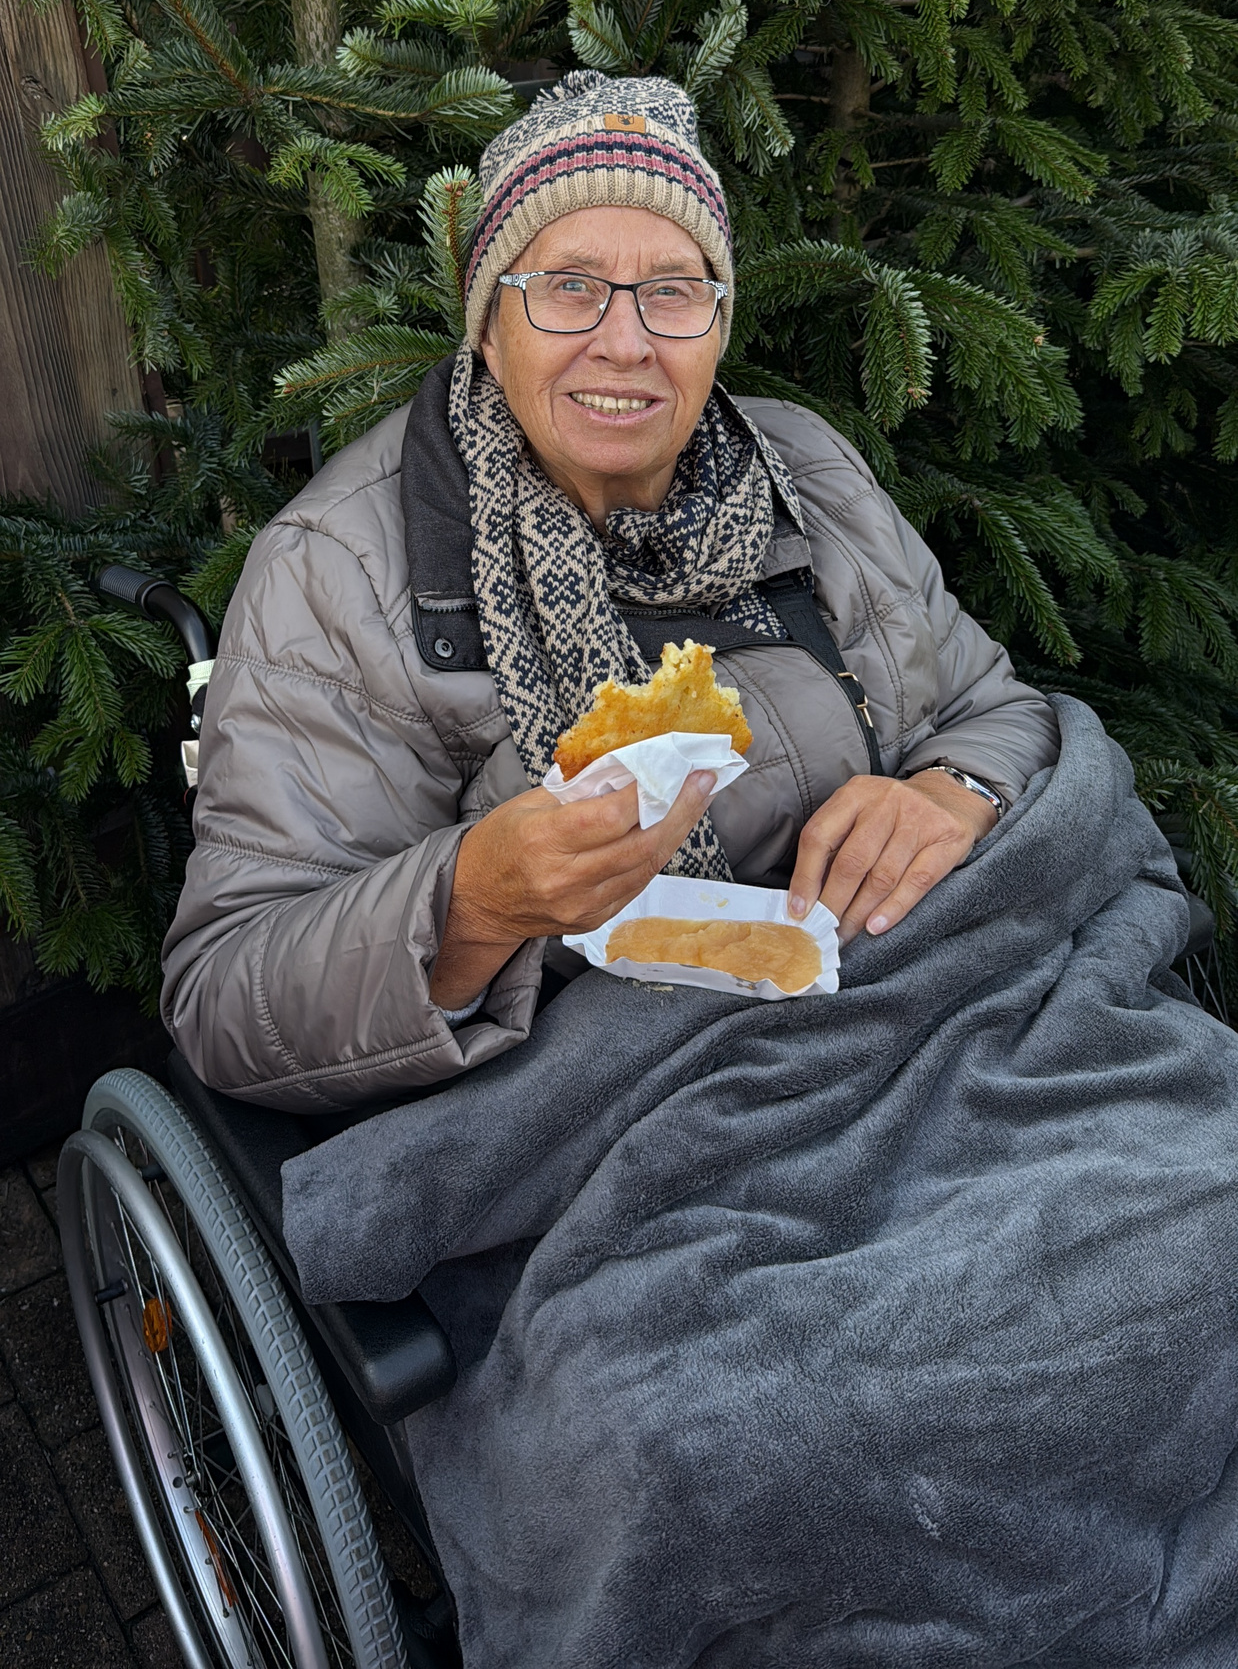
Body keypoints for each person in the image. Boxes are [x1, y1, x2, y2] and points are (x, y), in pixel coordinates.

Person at [162, 70, 1059, 1108]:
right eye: (568, 285)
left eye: (672, 290)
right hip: (623, 1116)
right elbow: (227, 995)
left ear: (718, 324)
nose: (624, 341)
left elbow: (993, 710)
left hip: (933, 1020)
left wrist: (955, 791)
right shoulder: (338, 572)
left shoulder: (805, 471)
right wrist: (472, 905)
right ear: (489, 329)